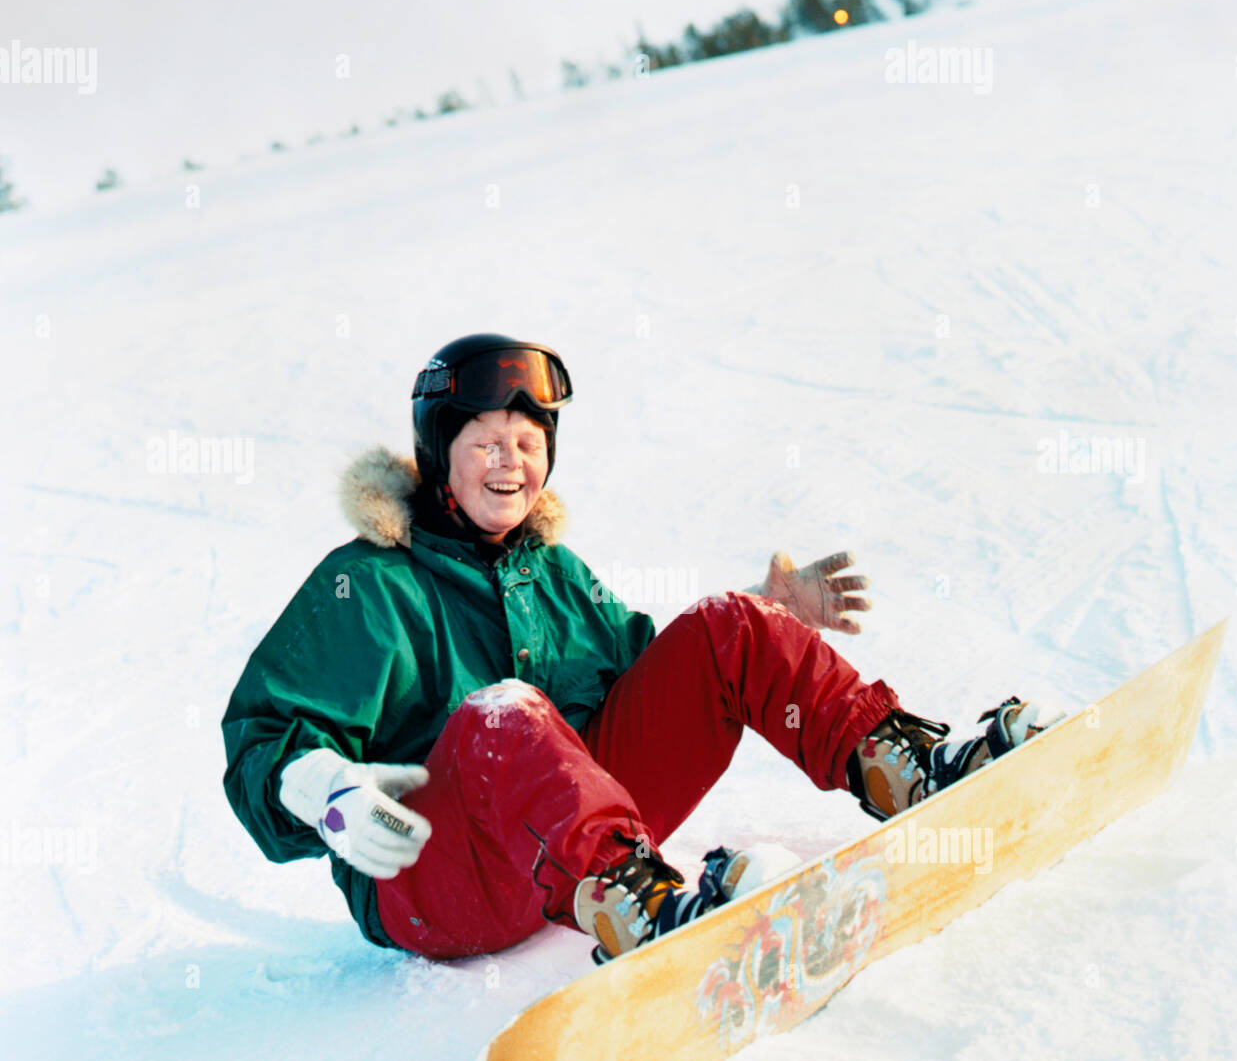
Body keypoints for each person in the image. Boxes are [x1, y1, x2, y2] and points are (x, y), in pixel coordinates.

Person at [222, 333, 1054, 965]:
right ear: (441, 453)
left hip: (570, 844)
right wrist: (324, 789)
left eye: (528, 441)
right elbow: (261, 740)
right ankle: (639, 908)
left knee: (727, 621)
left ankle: (906, 767)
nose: (510, 462)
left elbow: (657, 678)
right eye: (484, 442)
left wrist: (765, 630)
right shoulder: (368, 586)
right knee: (503, 714)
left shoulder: (550, 569)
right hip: (433, 876)